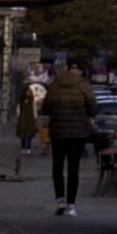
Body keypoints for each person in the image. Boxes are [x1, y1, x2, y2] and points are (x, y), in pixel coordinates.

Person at [40, 46, 95, 207]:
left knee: (57, 166)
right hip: (78, 134)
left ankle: (59, 199)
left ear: (68, 68)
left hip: (58, 132)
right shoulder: (85, 86)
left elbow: (46, 108)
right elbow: (93, 109)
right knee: (73, 169)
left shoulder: (55, 85)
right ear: (81, 70)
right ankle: (71, 203)